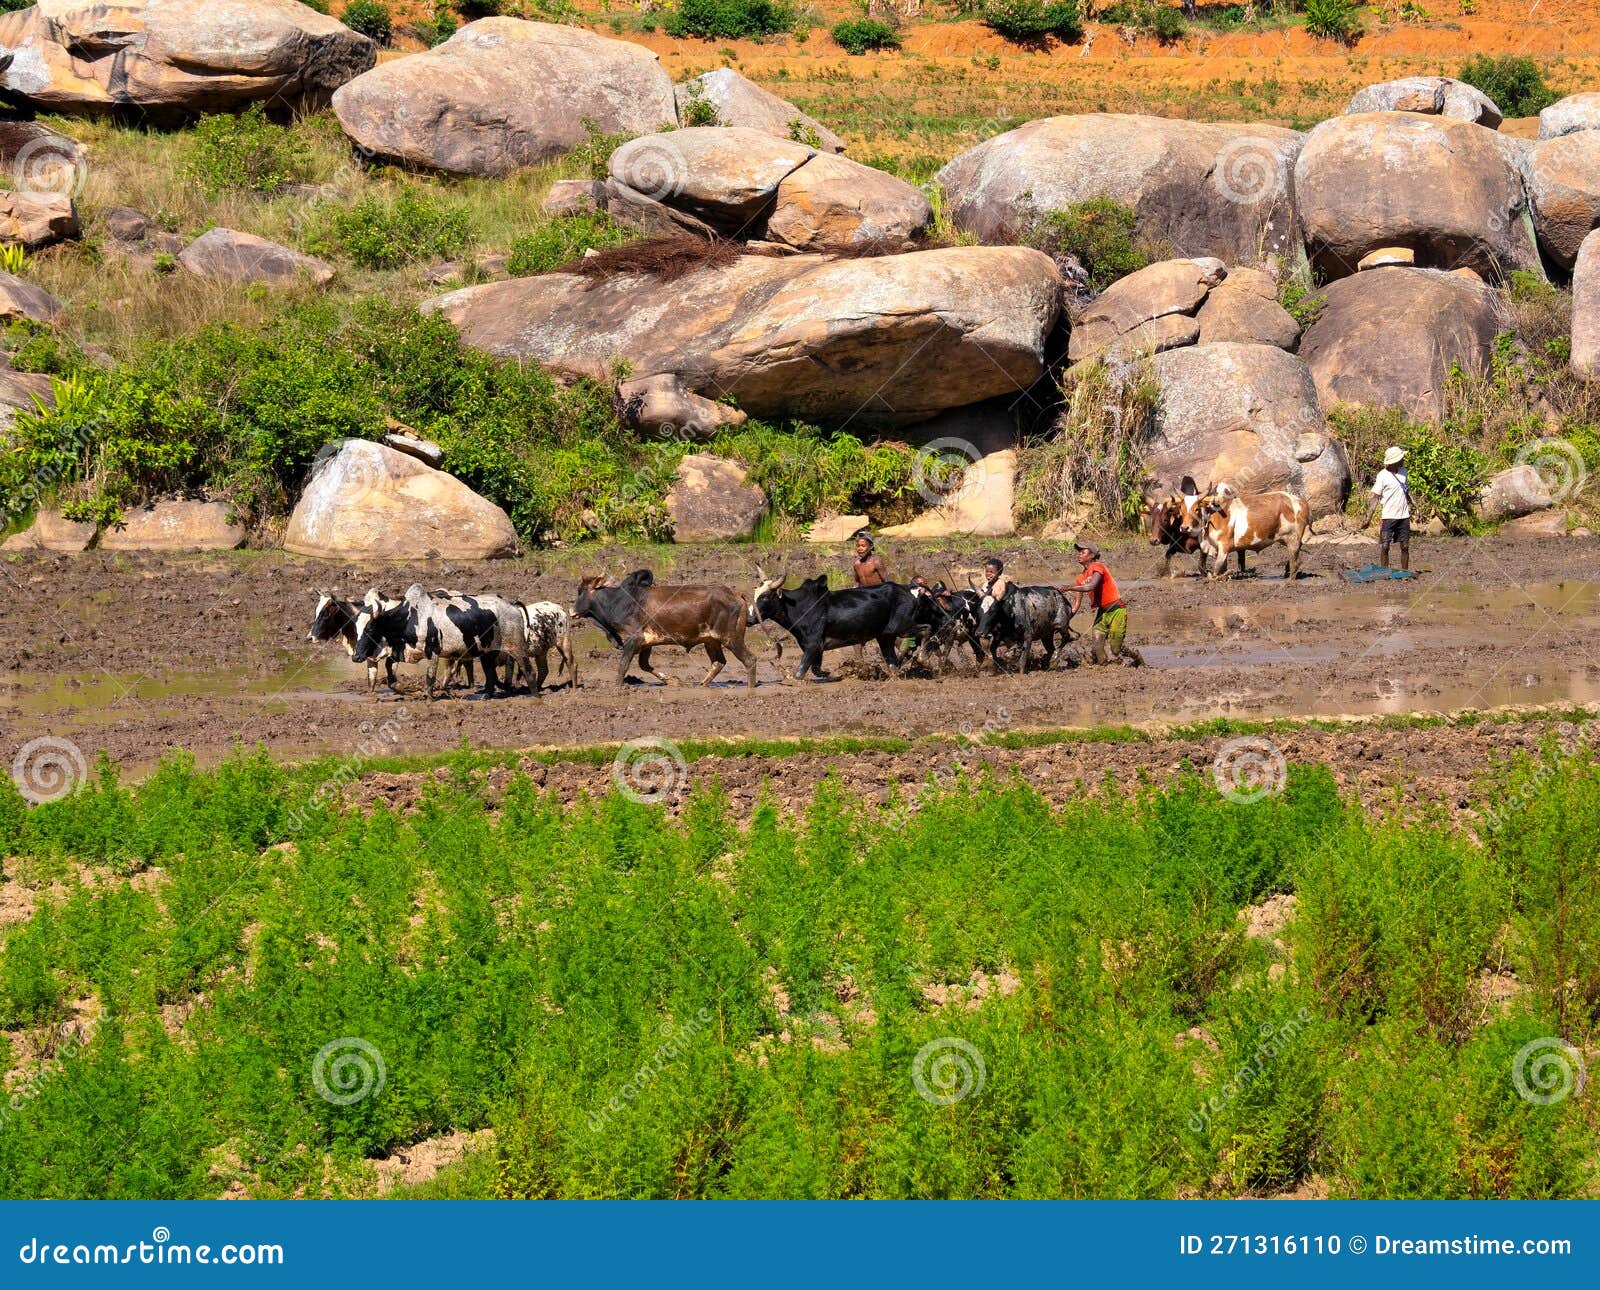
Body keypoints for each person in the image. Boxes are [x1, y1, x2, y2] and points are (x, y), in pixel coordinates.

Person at [1061, 541, 1142, 666]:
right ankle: (1104, 668)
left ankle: (1135, 655)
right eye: (1079, 552)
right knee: (1097, 646)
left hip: (1117, 611)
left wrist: (1069, 587)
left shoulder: (1098, 566)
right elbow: (1076, 605)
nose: (1079, 554)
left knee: (1115, 650)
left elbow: (1092, 585)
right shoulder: (1080, 578)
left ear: (1092, 555)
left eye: (1083, 552)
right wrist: (1064, 619)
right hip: (1102, 613)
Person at [1361, 446, 1416, 571]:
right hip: (1388, 517)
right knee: (1385, 546)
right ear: (1394, 461)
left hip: (1404, 516)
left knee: (1405, 546)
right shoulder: (1382, 476)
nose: (1403, 460)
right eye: (1401, 458)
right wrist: (1368, 519)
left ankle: (1405, 571)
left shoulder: (1404, 472)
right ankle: (1384, 571)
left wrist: (1415, 506)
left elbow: (1406, 491)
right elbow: (1375, 498)